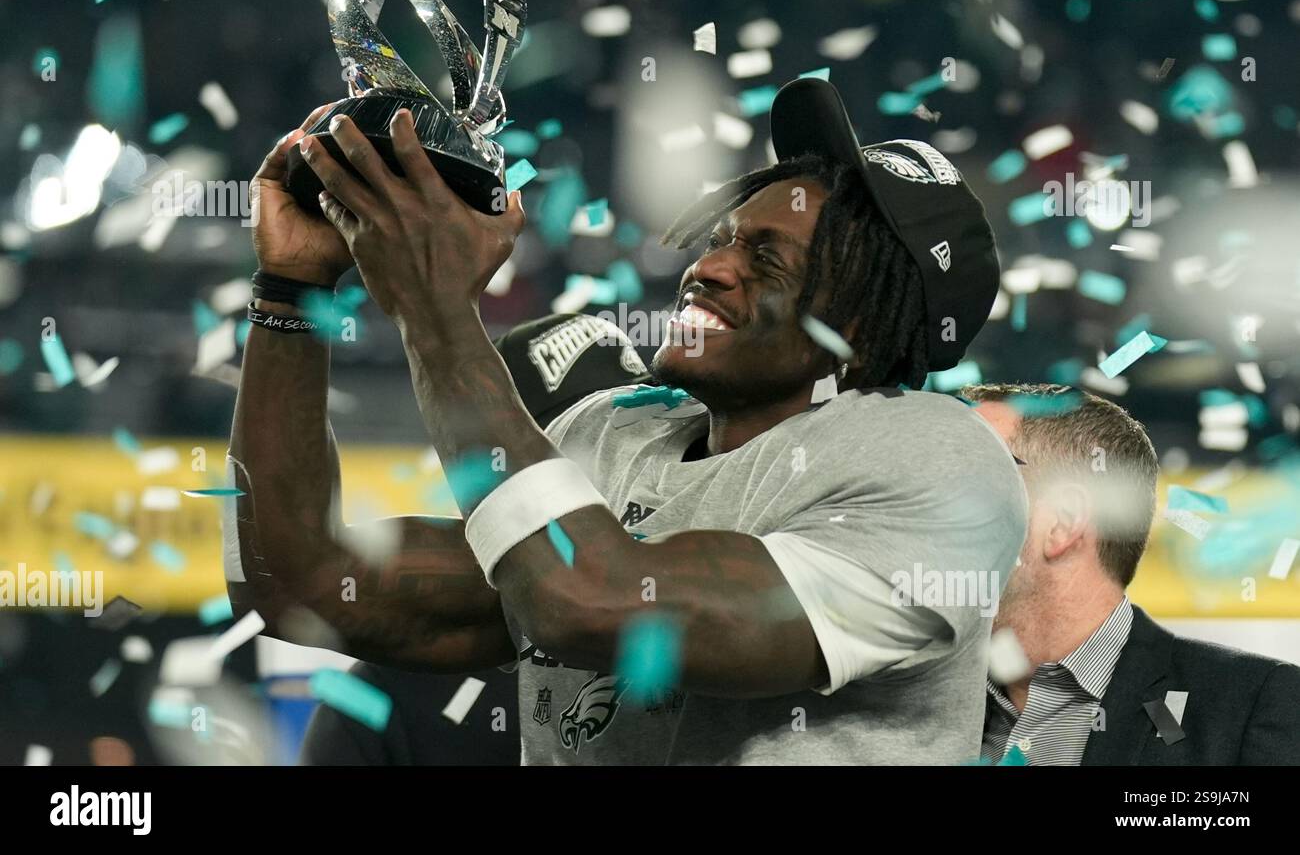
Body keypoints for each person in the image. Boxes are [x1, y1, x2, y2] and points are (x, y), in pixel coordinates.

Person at [224, 77, 1027, 765]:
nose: (708, 269)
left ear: (857, 328)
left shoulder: (941, 465)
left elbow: (587, 602)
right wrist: (291, 292)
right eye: (722, 241)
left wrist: (436, 310)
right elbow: (304, 583)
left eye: (767, 262)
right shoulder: (615, 430)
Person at [299, 312, 650, 765]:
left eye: (642, 433)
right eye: (586, 439)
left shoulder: (708, 623)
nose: (631, 462)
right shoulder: (385, 702)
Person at [966, 382, 1300, 765]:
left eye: (962, 484)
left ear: (1061, 523)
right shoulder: (908, 703)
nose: (917, 510)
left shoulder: (1251, 708)